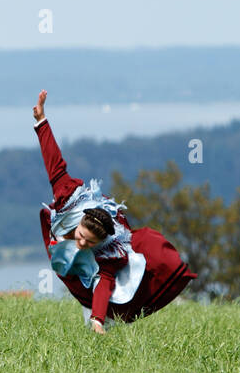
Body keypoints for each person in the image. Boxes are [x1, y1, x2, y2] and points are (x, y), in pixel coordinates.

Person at [32, 90, 196, 332]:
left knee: (97, 314)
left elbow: (104, 282)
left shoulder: (110, 251)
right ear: (80, 222)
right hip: (67, 258)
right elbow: (54, 163)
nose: (82, 242)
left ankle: (99, 329)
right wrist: (42, 121)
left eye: (89, 242)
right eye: (81, 236)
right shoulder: (69, 197)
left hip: (90, 275)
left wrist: (97, 318)